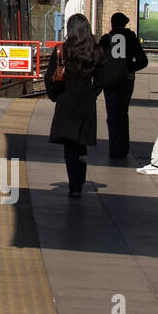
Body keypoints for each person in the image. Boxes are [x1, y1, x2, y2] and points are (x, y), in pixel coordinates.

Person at [44, 14, 105, 197]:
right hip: (86, 102)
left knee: (69, 146)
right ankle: (80, 179)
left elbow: (49, 77)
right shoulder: (95, 51)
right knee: (81, 144)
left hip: (66, 101)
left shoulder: (62, 50)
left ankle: (74, 185)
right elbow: (101, 80)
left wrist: (55, 96)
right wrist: (92, 94)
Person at [99, 12, 148, 160]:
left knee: (112, 116)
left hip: (111, 81)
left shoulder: (106, 39)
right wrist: (128, 68)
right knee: (123, 113)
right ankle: (124, 148)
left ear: (112, 23)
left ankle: (115, 149)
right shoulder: (131, 38)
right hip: (127, 81)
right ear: (125, 23)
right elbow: (143, 61)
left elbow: (97, 58)